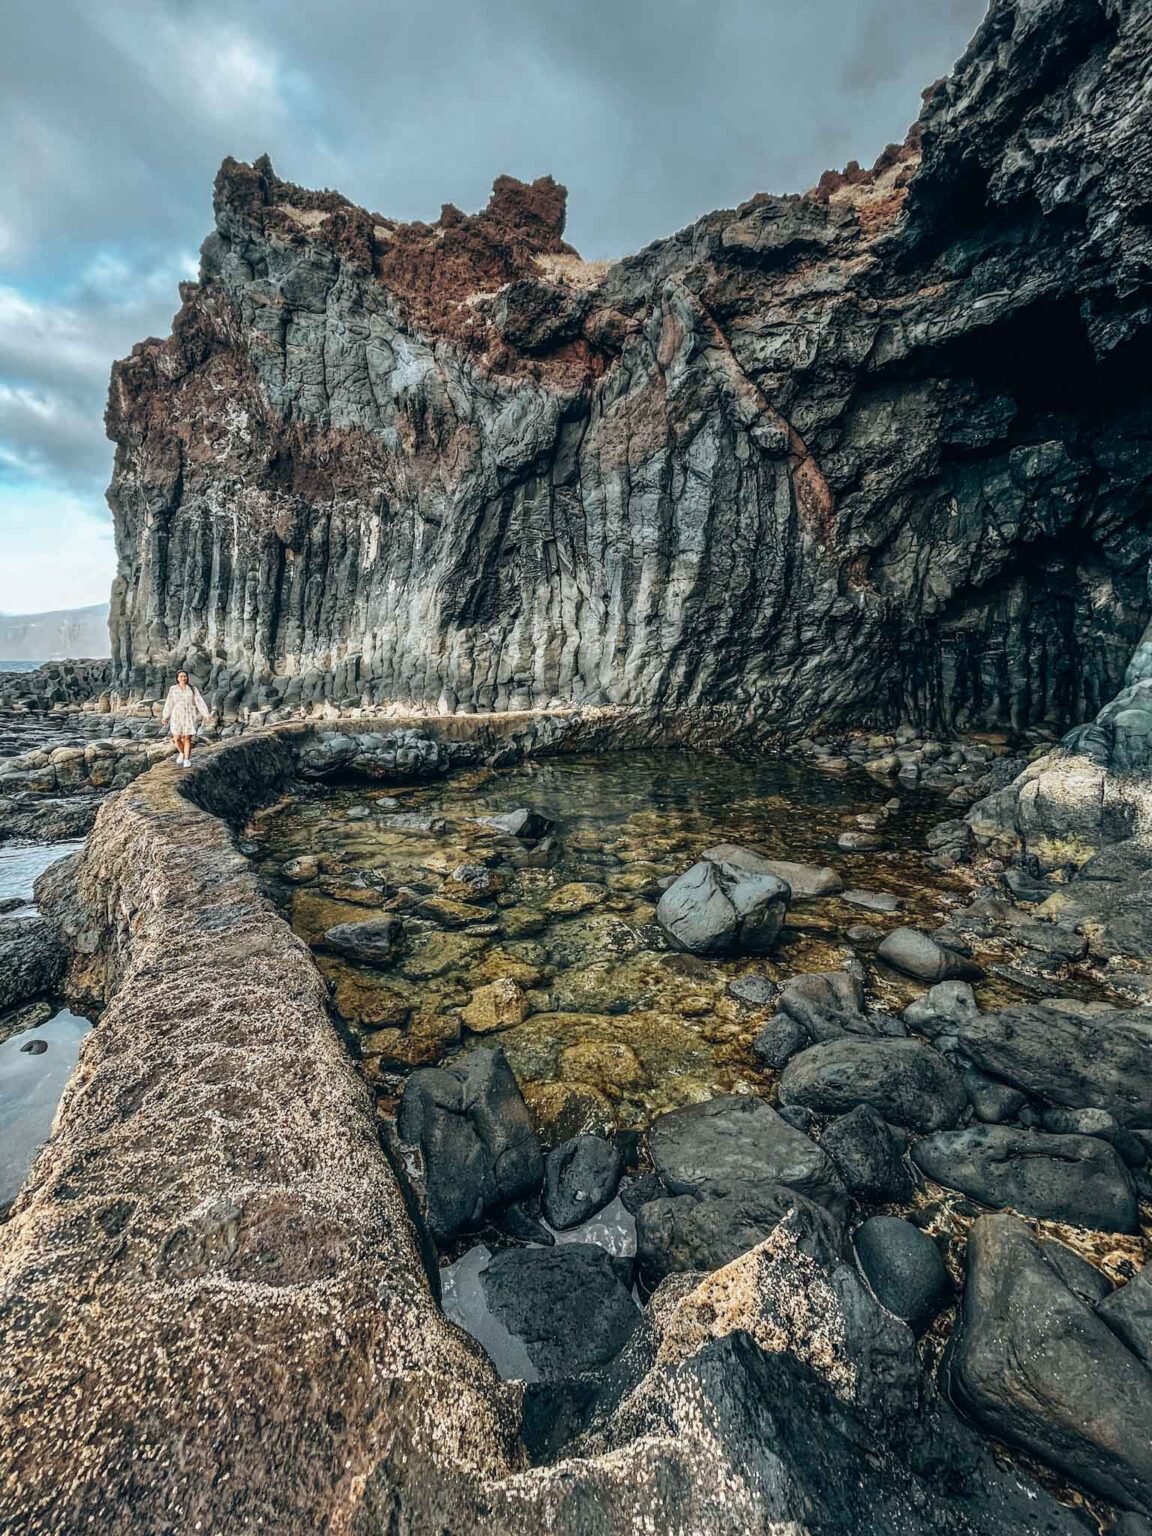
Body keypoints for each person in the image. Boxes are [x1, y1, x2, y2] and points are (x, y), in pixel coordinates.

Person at [162, 671, 210, 766]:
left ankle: (187, 760)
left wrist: (206, 714)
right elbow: (169, 702)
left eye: (185, 676)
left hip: (189, 714)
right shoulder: (173, 689)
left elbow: (199, 701)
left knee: (187, 738)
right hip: (177, 714)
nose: (183, 678)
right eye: (181, 676)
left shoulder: (192, 688)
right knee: (177, 738)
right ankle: (182, 753)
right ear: (177, 678)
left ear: (187, 678)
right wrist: (165, 716)